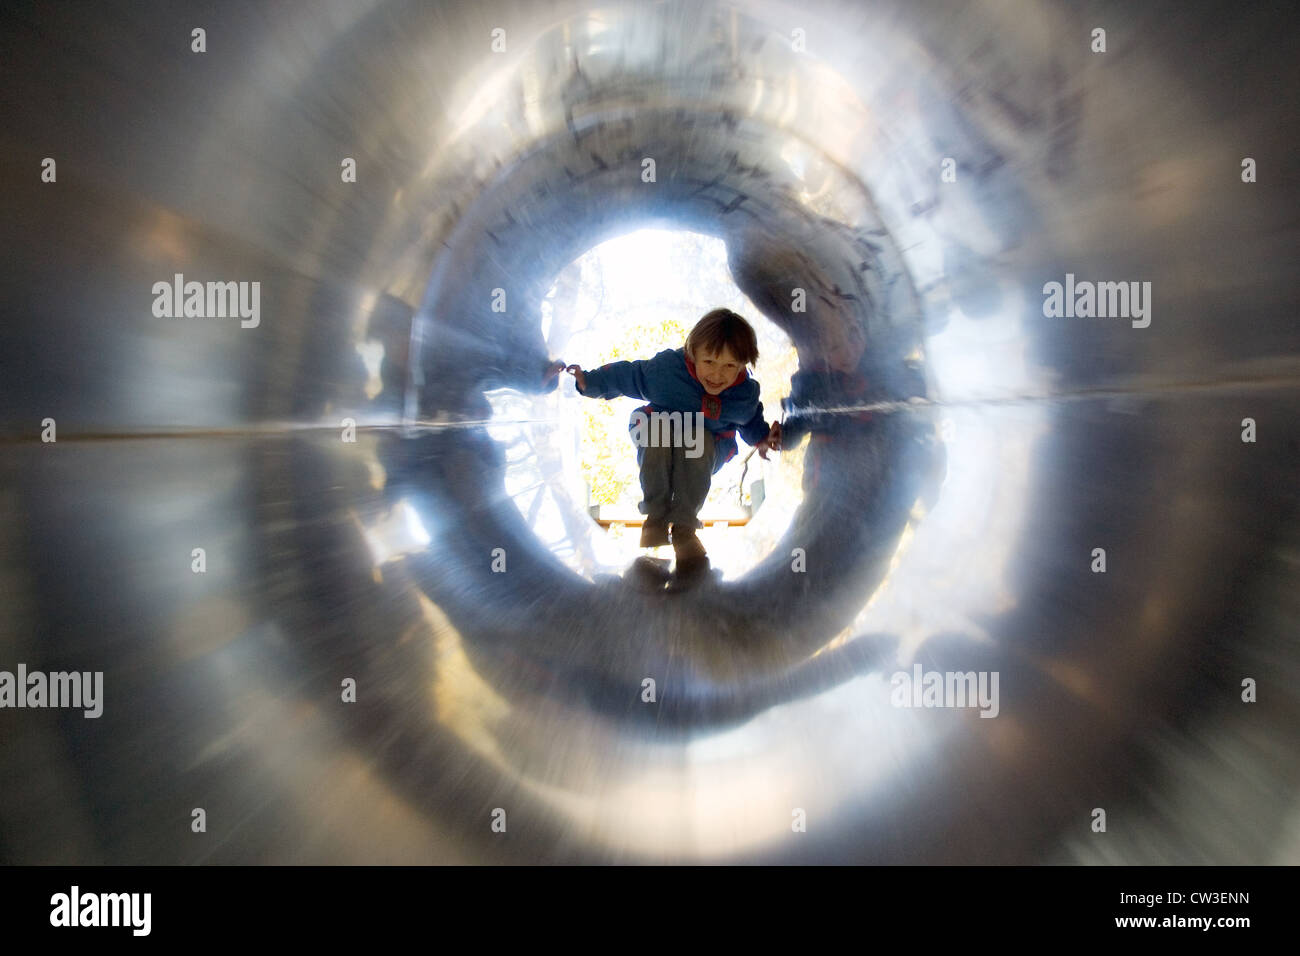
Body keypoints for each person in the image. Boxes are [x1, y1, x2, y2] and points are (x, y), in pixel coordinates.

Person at [556, 308, 781, 564]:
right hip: (660, 427)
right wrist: (591, 381)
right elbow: (631, 375)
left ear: (743, 365)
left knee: (699, 439)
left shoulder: (744, 394)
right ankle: (656, 517)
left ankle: (684, 528)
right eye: (709, 362)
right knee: (657, 431)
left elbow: (750, 420)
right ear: (693, 353)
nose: (718, 375)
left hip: (708, 445)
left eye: (730, 366)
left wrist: (763, 438)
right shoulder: (668, 373)